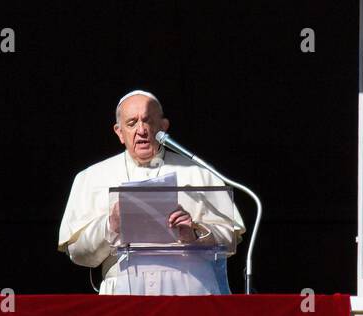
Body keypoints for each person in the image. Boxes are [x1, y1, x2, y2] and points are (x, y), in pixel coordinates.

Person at [58, 90, 246, 294]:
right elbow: (78, 254)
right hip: (125, 291)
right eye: (131, 123)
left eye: (148, 121)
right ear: (119, 132)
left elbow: (230, 241)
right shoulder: (91, 177)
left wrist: (195, 232)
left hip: (191, 289)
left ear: (163, 127)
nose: (141, 130)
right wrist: (110, 226)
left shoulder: (199, 173)